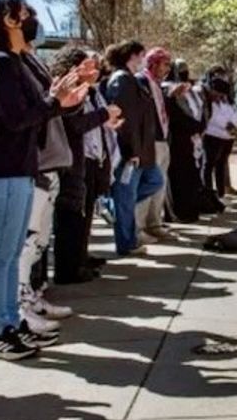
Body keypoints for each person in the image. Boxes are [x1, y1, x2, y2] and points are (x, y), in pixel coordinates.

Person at [0, 0, 88, 360]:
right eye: (22, 13)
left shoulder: (16, 62)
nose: (28, 18)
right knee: (2, 253)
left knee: (10, 253)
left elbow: (32, 111)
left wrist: (57, 99)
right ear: (8, 20)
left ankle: (10, 322)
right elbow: (17, 117)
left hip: (20, 166)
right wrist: (56, 102)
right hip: (4, 168)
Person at [52, 47, 121, 284]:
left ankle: (80, 257)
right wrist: (103, 115)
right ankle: (68, 268)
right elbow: (75, 125)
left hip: (91, 158)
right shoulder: (67, 90)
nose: (95, 70)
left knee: (85, 212)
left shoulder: (91, 92)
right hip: (71, 160)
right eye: (88, 65)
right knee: (71, 214)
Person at [103, 40, 162, 257]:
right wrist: (131, 151)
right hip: (130, 152)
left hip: (142, 151)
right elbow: (125, 119)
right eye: (141, 56)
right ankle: (127, 243)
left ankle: (112, 206)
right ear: (132, 56)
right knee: (126, 197)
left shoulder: (131, 80)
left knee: (154, 181)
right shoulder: (122, 81)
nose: (143, 61)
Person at [137, 47, 175, 239]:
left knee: (160, 184)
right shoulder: (142, 81)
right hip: (150, 141)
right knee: (149, 182)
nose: (167, 68)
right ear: (154, 63)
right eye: (164, 63)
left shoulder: (158, 84)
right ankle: (139, 227)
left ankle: (154, 222)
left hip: (162, 139)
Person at [166, 60, 206, 223]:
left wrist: (200, 128)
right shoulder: (168, 89)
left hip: (194, 139)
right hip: (178, 140)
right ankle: (180, 211)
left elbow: (201, 110)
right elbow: (175, 116)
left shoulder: (191, 90)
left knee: (193, 175)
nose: (184, 72)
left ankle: (192, 209)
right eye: (181, 70)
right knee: (180, 177)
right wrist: (193, 127)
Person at [202, 77, 237, 198]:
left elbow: (234, 114)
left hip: (227, 137)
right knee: (209, 165)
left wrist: (232, 125)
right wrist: (227, 125)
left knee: (221, 164)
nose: (219, 96)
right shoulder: (209, 102)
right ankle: (208, 192)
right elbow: (214, 117)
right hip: (212, 135)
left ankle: (220, 192)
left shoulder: (228, 102)